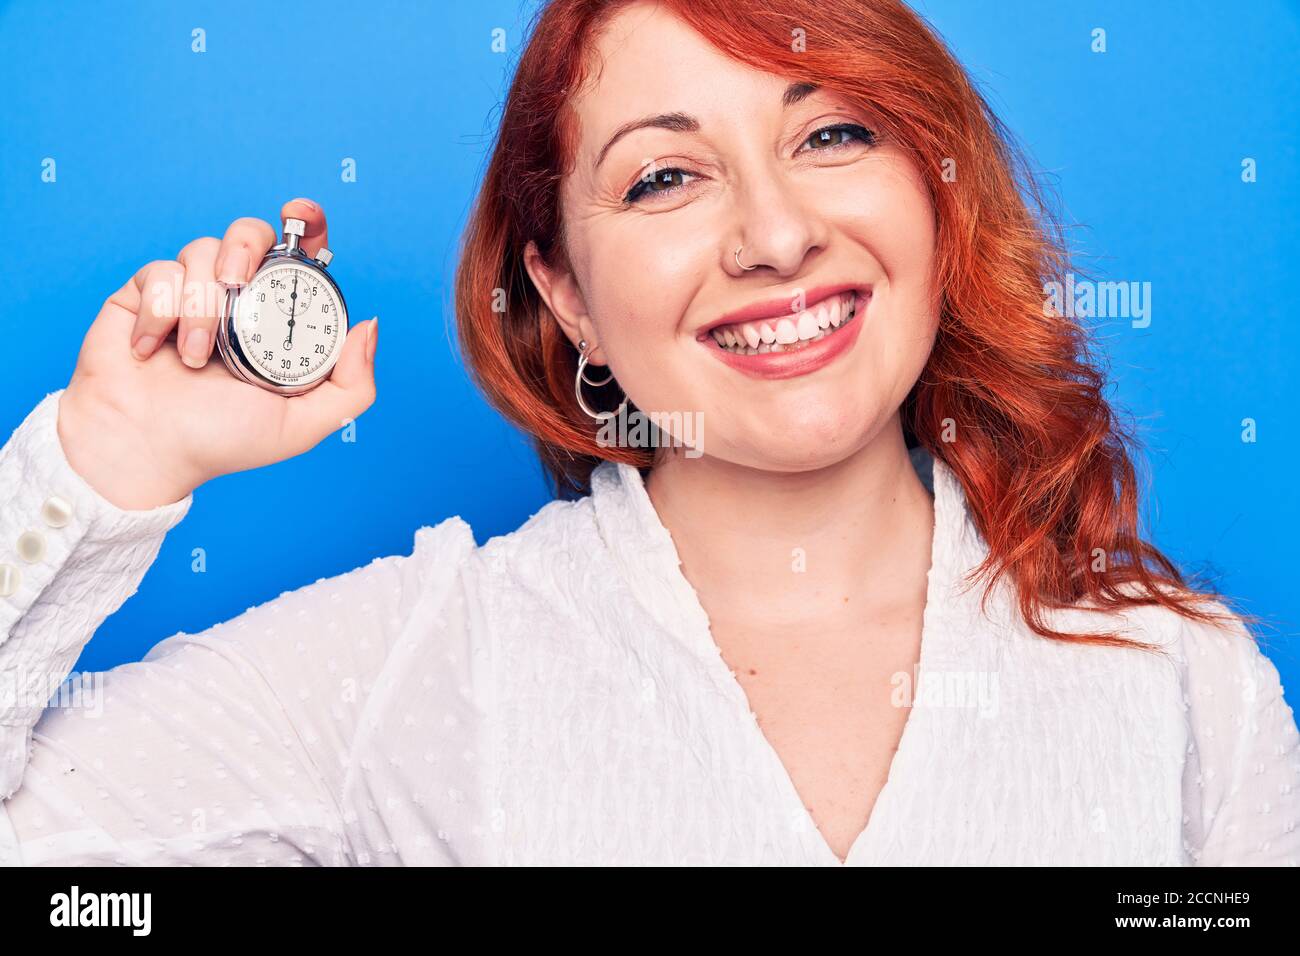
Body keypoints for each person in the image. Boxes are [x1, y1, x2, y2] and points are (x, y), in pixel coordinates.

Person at [2, 0, 1296, 866]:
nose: (777, 235)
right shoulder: (418, 662)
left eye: (834, 133)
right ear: (567, 294)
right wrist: (107, 461)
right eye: (664, 176)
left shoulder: (1177, 678)